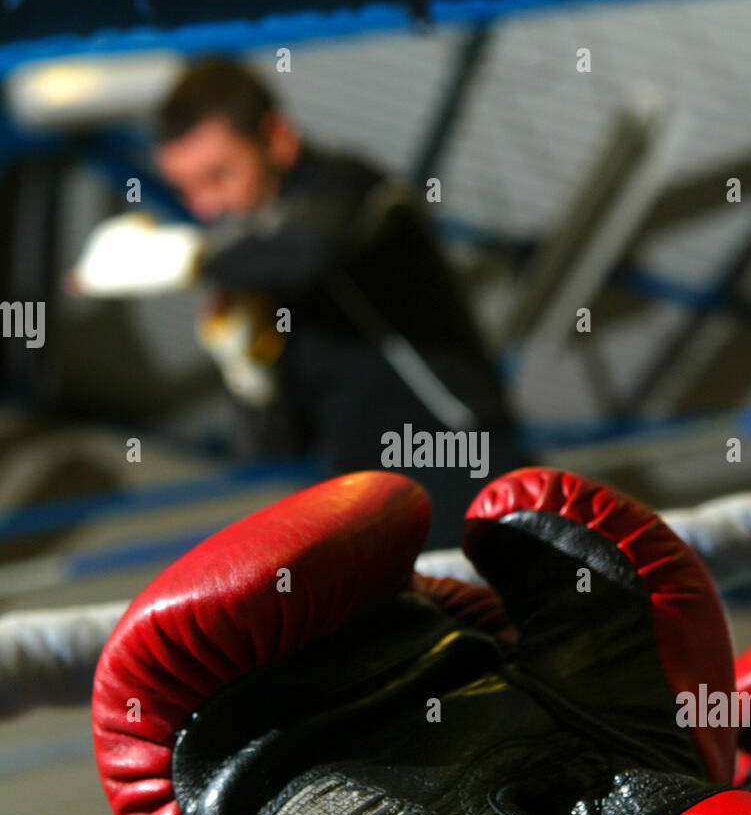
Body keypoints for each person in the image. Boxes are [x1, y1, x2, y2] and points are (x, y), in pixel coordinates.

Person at [71, 57, 531, 546]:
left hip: (462, 466)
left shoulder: (353, 187)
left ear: (277, 138)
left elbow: (313, 248)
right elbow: (280, 446)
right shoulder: (258, 272)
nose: (207, 206)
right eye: (188, 188)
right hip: (365, 505)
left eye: (219, 174)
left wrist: (183, 257)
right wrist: (250, 378)